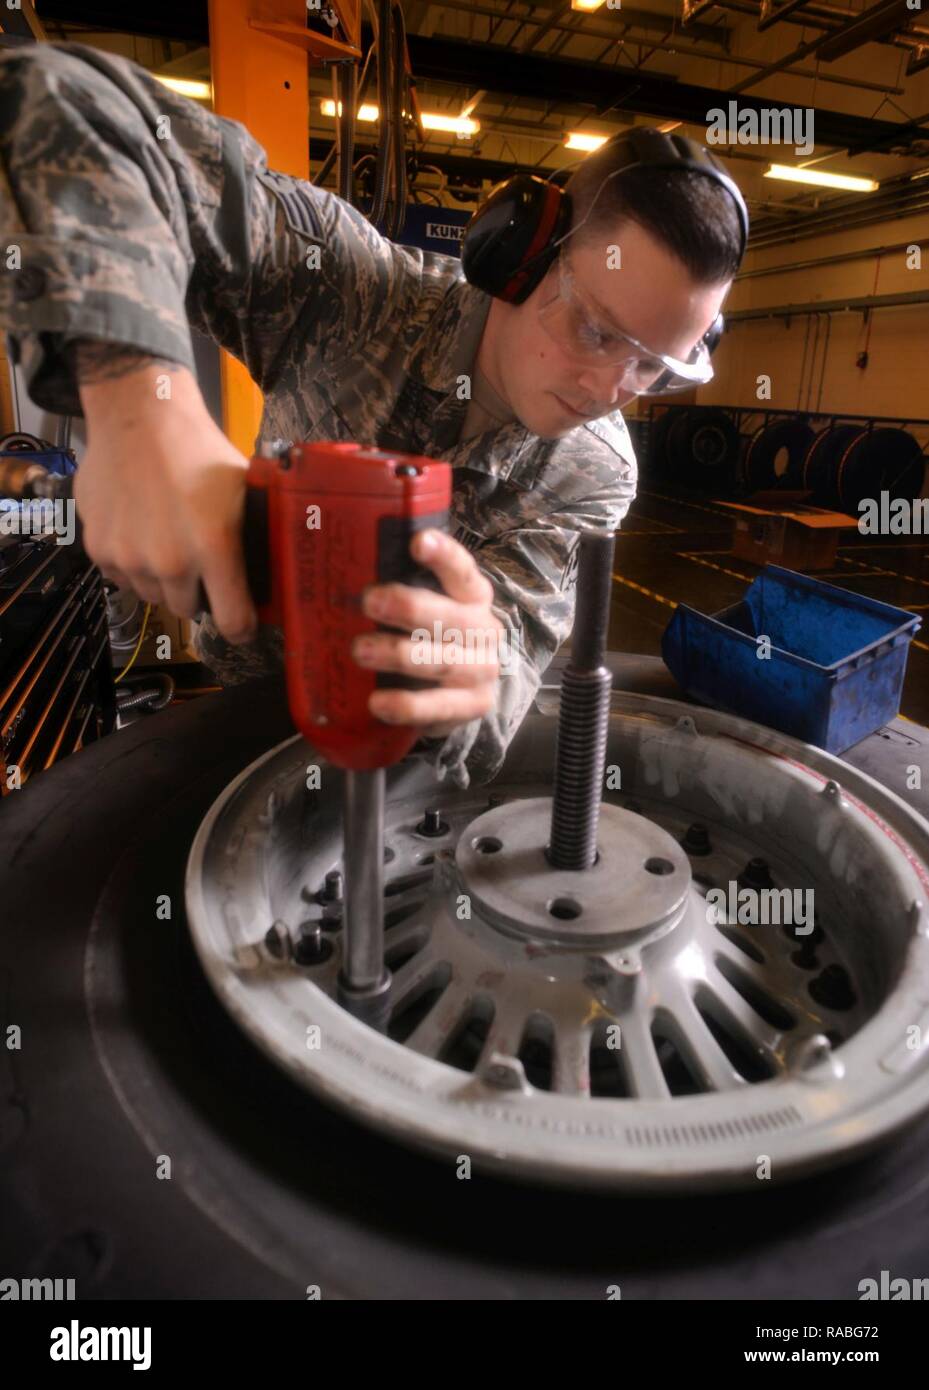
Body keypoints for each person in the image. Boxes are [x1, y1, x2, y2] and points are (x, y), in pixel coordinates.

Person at [0, 41, 745, 788]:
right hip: (243, 714)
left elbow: (509, 660)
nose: (608, 387)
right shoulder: (350, 288)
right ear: (523, 254)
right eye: (597, 330)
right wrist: (135, 396)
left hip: (400, 766)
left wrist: (472, 683)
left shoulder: (597, 470)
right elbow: (56, 96)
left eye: (653, 364)